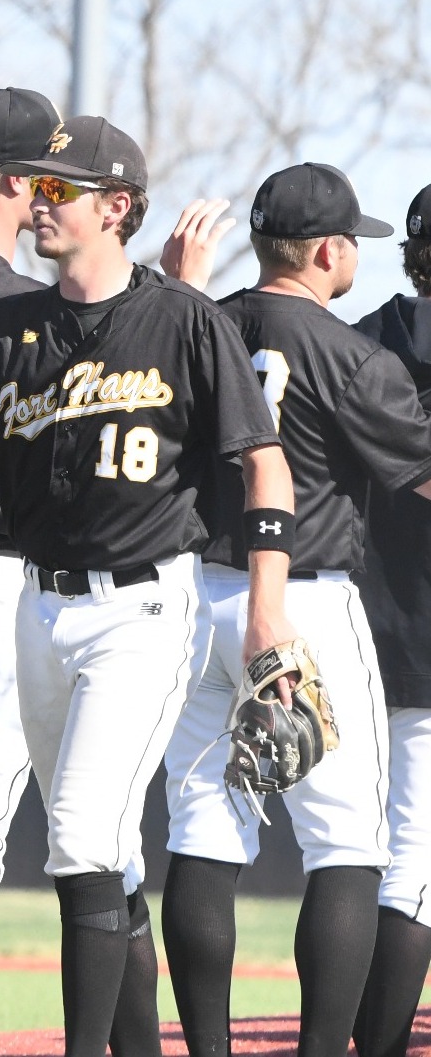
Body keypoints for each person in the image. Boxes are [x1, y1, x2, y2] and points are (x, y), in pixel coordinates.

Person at [0, 114, 297, 1057]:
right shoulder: (13, 325)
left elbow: (263, 465)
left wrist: (267, 615)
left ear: (117, 208)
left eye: (59, 188)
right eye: (34, 184)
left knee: (76, 831)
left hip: (147, 605)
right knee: (100, 852)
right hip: (38, 607)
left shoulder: (186, 320)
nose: (39, 199)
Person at [159, 162, 430, 1057]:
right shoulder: (355, 355)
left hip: (195, 598)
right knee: (347, 843)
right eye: (354, 241)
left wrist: (183, 286)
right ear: (326, 250)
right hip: (306, 600)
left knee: (203, 825)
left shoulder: (203, 324)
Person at [351, 183, 431, 1057]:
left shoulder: (362, 340)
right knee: (412, 862)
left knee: (363, 852)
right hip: (413, 636)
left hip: (356, 621)